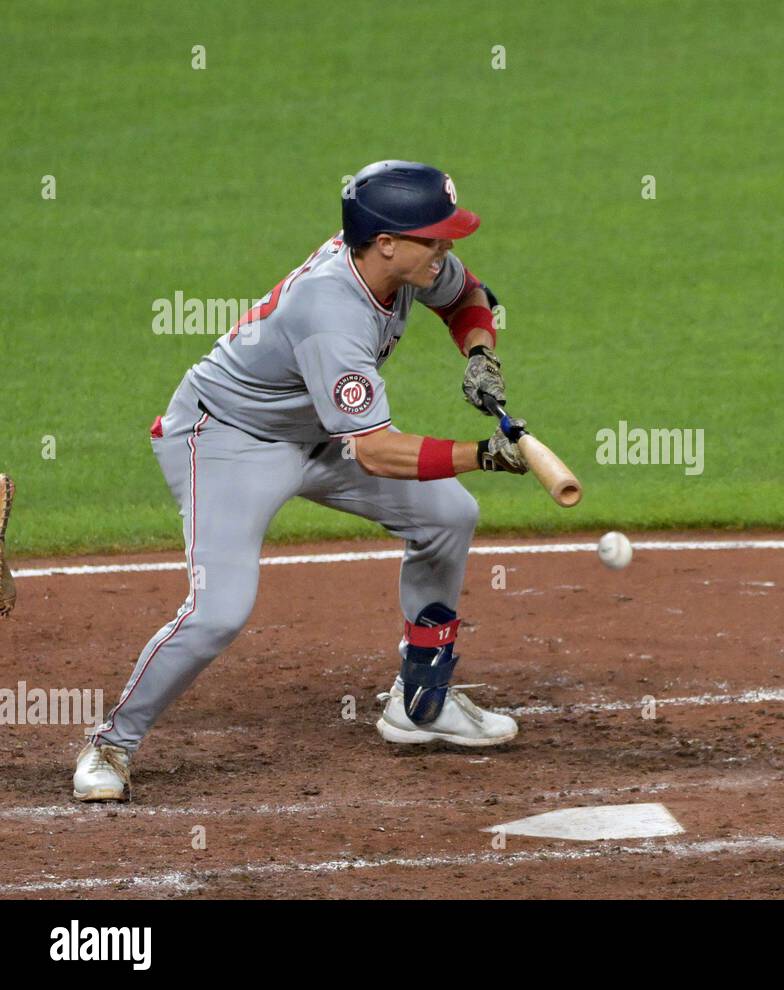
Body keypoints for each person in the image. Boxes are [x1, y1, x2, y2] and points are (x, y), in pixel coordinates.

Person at [74, 161, 526, 803]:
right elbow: (375, 450)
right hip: (229, 439)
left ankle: (422, 701)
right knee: (219, 612)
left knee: (447, 515)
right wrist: (482, 454)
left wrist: (480, 351)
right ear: (388, 242)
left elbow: (467, 295)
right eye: (436, 237)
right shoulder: (331, 311)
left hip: (317, 431)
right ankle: (111, 744)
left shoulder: (398, 260)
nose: (447, 248)